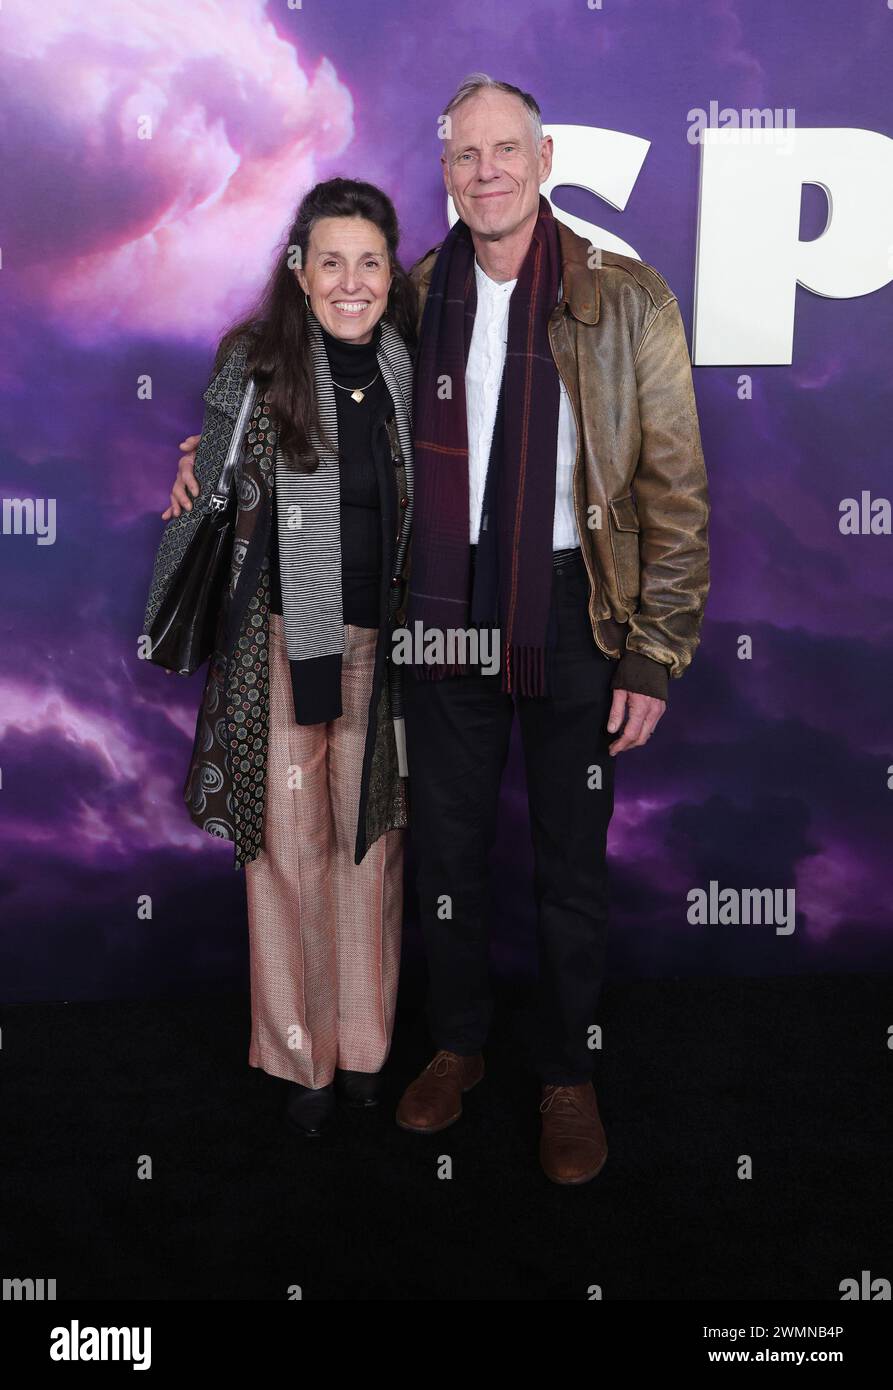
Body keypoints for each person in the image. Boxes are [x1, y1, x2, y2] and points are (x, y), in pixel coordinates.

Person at [168, 77, 710, 1186]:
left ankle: (565, 1074)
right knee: (442, 853)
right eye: (466, 156)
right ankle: (456, 1046)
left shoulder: (627, 298)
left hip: (571, 609)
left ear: (544, 158)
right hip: (440, 615)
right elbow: (326, 394)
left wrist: (655, 647)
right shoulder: (418, 292)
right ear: (448, 171)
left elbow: (676, 490)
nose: (486, 172)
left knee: (568, 863)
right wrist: (210, 465)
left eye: (505, 151)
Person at [144, 178, 416, 1137]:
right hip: (277, 639)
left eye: (369, 261)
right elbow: (211, 474)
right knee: (285, 856)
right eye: (329, 261)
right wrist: (194, 464)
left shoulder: (411, 363)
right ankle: (300, 1059)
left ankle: (365, 1051)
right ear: (299, 274)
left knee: (370, 847)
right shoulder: (254, 361)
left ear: (392, 272)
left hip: (385, 647)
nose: (351, 281)